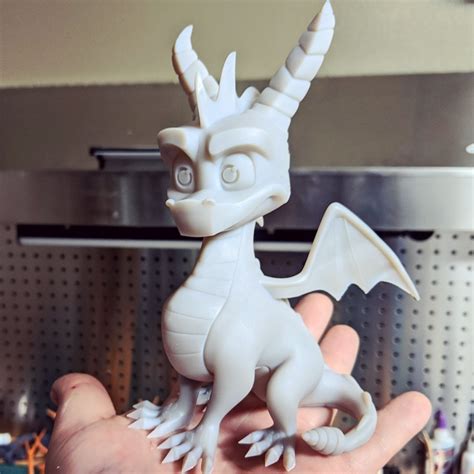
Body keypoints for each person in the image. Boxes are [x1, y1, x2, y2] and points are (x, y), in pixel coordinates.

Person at [45, 294, 431, 473]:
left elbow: (238, 368)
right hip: (256, 369)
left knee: (279, 390)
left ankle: (282, 432)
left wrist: (210, 423)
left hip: (291, 369)